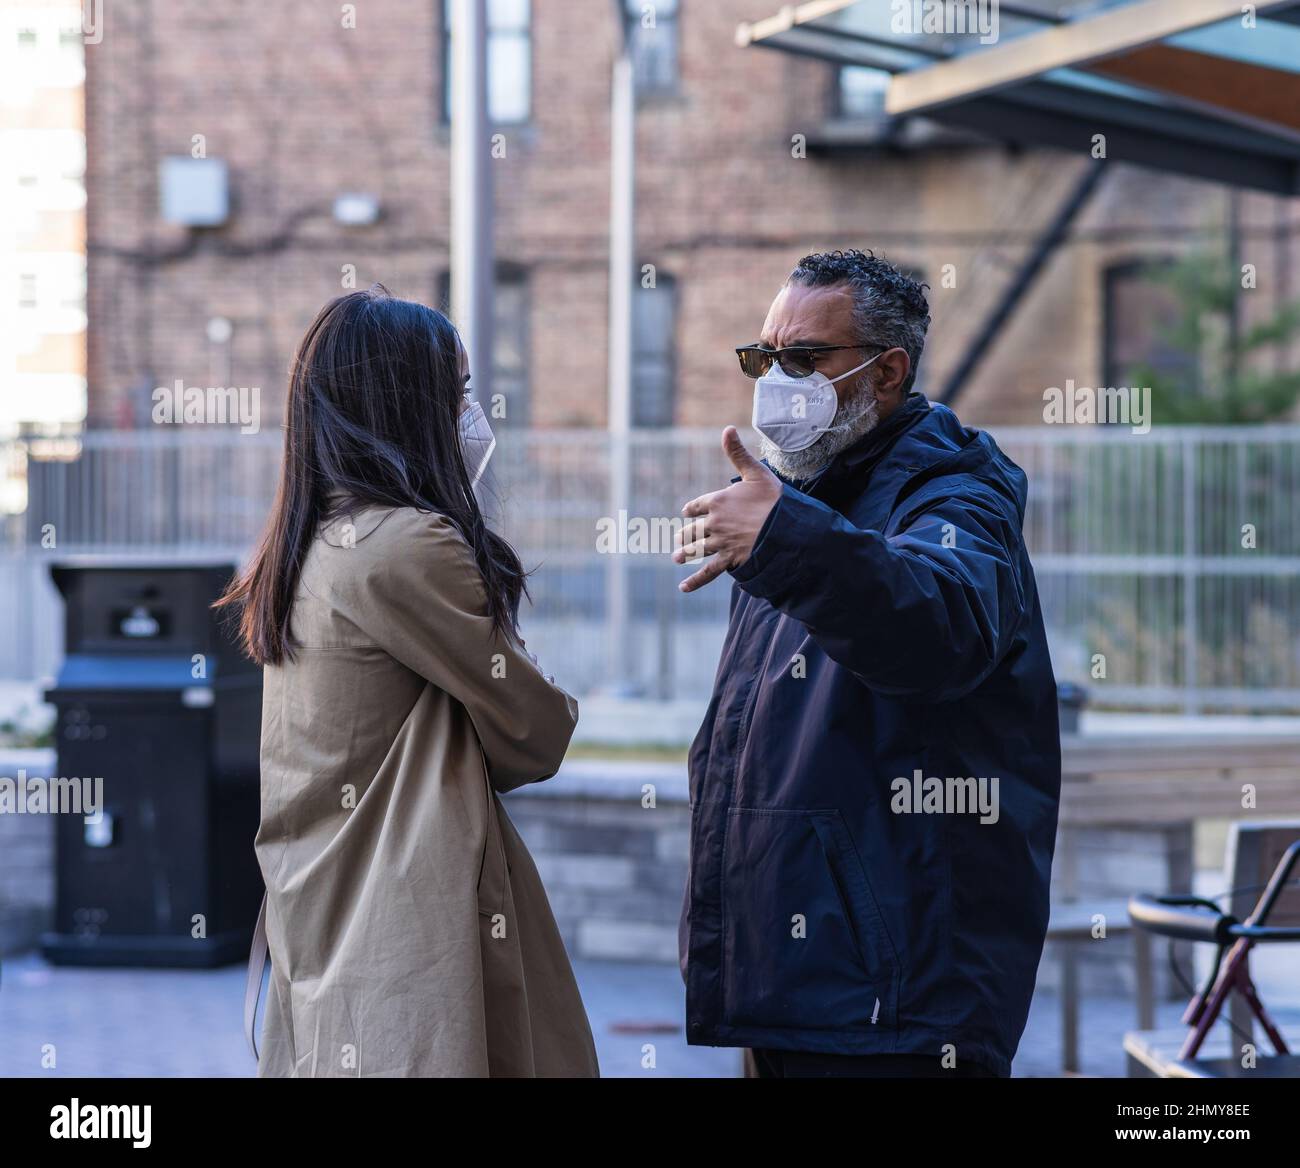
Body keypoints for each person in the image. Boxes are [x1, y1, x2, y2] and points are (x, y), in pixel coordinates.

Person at [673, 249, 1060, 1079]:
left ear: (888, 374)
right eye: (765, 357)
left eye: (807, 358)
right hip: (796, 984)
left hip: (900, 1002)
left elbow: (938, 626)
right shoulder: (798, 503)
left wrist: (785, 539)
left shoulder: (953, 493)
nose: (778, 378)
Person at [219, 285, 598, 1077]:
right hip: (418, 938)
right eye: (456, 392)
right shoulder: (405, 546)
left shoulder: (311, 543)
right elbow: (537, 734)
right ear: (407, 406)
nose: (471, 414)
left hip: (332, 935)